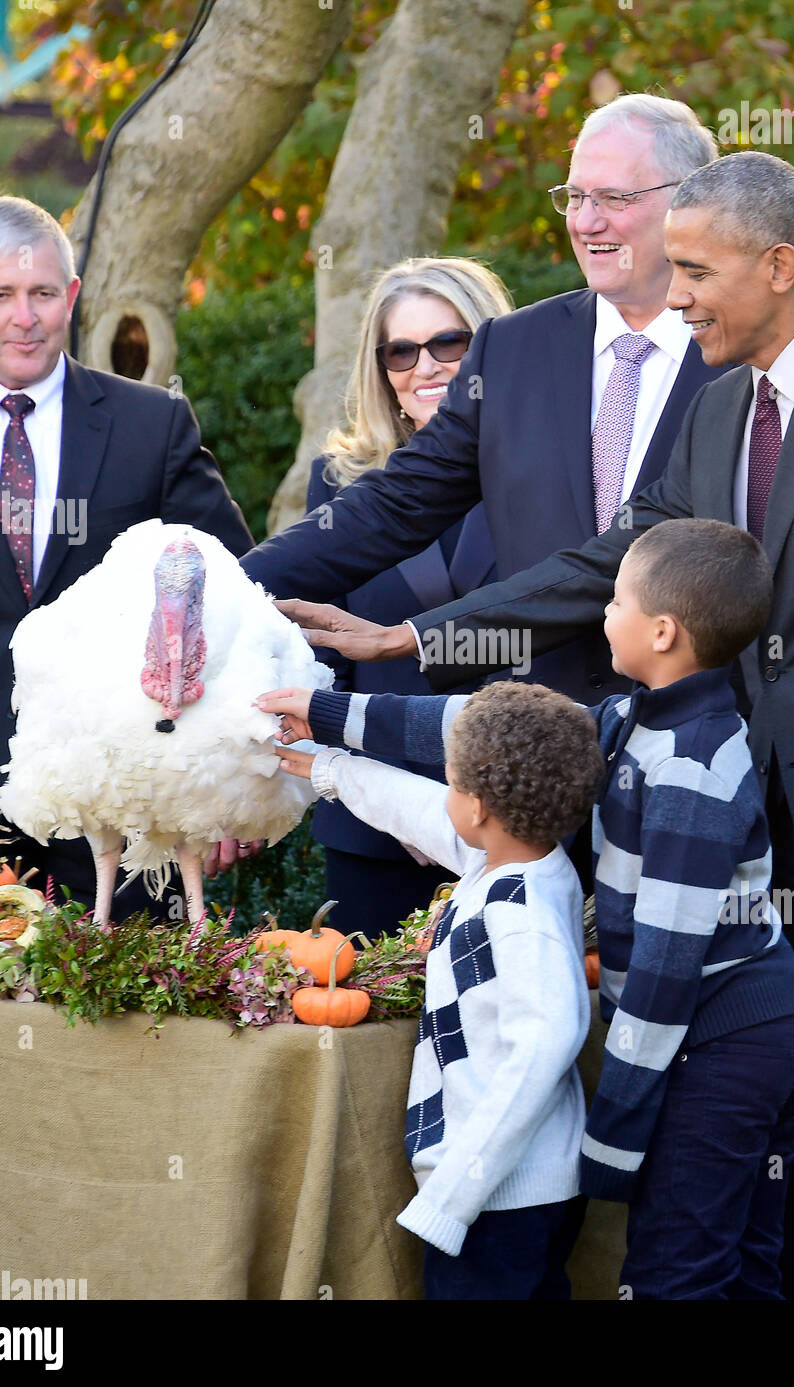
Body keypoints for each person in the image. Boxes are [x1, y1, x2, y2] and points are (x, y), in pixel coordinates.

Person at [278, 153, 794, 1301]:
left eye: (694, 271)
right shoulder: (717, 402)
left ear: (777, 267)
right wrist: (415, 639)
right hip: (749, 859)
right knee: (786, 1157)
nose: (671, 295)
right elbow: (607, 563)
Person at [269, 517, 794, 1299]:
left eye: (618, 600)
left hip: (729, 1044)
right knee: (743, 1266)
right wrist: (329, 718)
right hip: (735, 1034)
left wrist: (618, 1142)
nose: (603, 611)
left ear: (662, 631)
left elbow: (665, 974)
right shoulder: (637, 719)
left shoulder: (690, 768)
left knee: (678, 1275)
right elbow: (489, 733)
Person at [241, 93, 725, 708]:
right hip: (537, 743)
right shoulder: (514, 347)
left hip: (707, 735)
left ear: (689, 201)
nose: (585, 221)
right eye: (574, 197)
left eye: (614, 198)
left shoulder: (741, 354)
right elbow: (399, 500)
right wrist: (228, 584)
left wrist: (416, 639)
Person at [0, 195, 253, 917]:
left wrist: (232, 777)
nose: (24, 317)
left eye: (41, 293)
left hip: (125, 797)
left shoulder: (150, 424)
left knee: (131, 1019)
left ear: (71, 296)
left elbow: (235, 598)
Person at [277, 682, 603, 1300]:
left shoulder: (520, 913)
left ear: (480, 807)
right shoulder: (518, 862)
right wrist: (330, 768)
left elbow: (546, 1043)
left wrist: (452, 1199)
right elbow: (421, 809)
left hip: (498, 1198)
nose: (445, 794)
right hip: (510, 1188)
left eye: (454, 782)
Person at [255, 259, 510, 940]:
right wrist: (400, 803)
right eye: (401, 349)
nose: (425, 366)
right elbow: (323, 662)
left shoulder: (540, 473)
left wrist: (472, 799)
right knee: (368, 1028)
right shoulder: (339, 485)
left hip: (517, 809)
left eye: (449, 343)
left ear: (489, 345)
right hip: (375, 824)